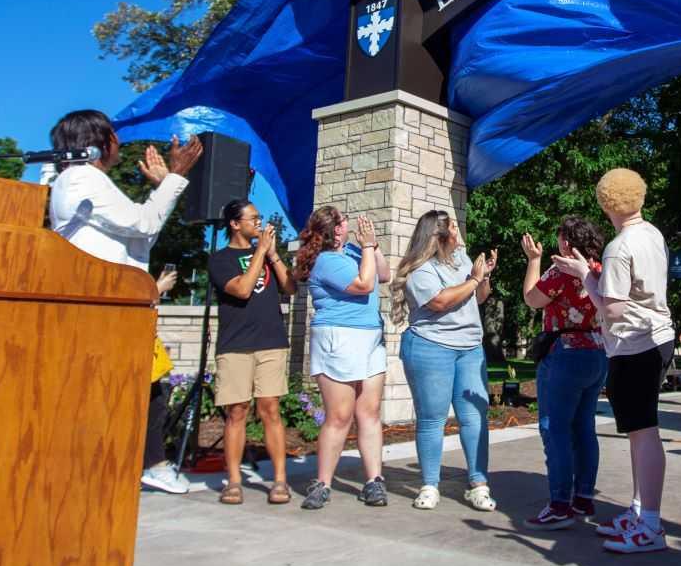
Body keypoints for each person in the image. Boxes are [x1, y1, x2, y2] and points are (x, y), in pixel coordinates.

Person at [45, 108, 202, 495]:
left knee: (150, 385)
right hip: (101, 309)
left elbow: (136, 238)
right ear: (100, 143)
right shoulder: (82, 179)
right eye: (113, 135)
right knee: (139, 390)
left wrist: (163, 187)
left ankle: (147, 463)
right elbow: (143, 224)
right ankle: (141, 464)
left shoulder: (86, 181)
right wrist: (177, 177)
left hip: (117, 307)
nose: (120, 140)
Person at [551, 168, 675, 554]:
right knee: (641, 433)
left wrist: (585, 277)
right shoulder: (652, 233)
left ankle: (650, 524)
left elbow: (614, 309)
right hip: (656, 339)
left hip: (636, 344)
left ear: (606, 202)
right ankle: (640, 513)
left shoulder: (618, 247)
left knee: (643, 433)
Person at [392, 210, 498, 512]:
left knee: (474, 417)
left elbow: (478, 298)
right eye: (452, 226)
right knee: (432, 418)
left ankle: (478, 484)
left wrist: (484, 277)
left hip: (469, 349)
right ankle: (429, 485)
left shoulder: (462, 260)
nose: (458, 230)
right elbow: (439, 302)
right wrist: (474, 278)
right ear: (438, 236)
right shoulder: (421, 270)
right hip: (431, 347)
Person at [296, 206, 391, 510]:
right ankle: (322, 482)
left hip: (370, 338)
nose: (349, 224)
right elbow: (363, 285)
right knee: (339, 415)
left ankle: (374, 481)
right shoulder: (325, 261)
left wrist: (371, 245)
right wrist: (365, 247)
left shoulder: (354, 251)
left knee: (370, 412)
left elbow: (384, 276)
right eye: (342, 221)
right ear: (334, 230)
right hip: (339, 339)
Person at [520, 217, 608, 529]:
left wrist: (534, 260)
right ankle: (583, 497)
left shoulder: (562, 270)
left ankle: (559, 504)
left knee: (554, 429)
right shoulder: (599, 269)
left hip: (565, 354)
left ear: (566, 242)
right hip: (597, 351)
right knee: (584, 427)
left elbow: (532, 299)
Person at [207, 199, 296, 506]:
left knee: (270, 408)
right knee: (237, 412)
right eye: (253, 219)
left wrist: (273, 255)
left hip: (271, 341)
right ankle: (233, 481)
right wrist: (260, 252)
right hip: (236, 344)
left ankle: (280, 480)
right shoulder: (220, 260)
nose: (259, 223)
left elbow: (290, 287)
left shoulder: (267, 255)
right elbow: (242, 289)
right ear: (235, 223)